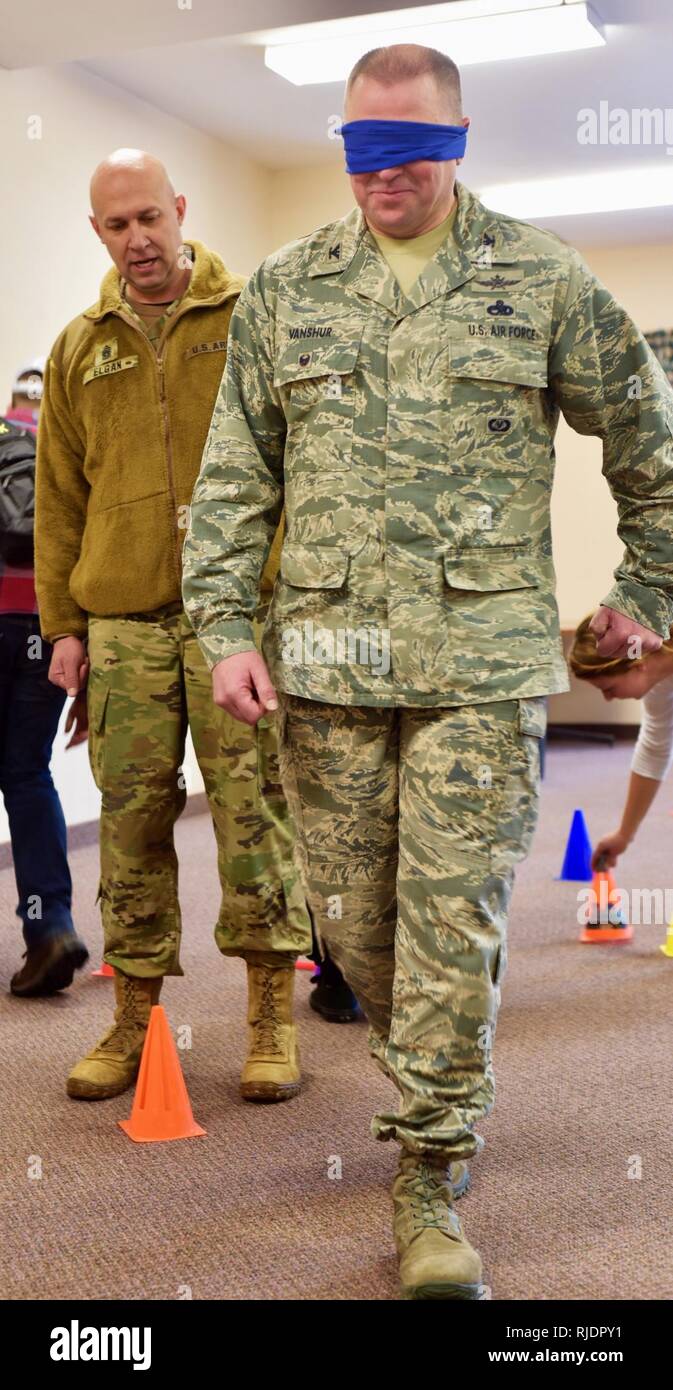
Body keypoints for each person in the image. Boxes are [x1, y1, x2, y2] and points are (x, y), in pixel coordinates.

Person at [182, 45, 673, 1298]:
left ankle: (432, 1174)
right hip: (330, 662)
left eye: (413, 150)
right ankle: (432, 1102)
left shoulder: (543, 279)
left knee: (453, 921)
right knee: (356, 931)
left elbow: (653, 459)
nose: (385, 174)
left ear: (460, 144)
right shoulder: (291, 288)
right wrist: (225, 628)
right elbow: (235, 476)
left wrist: (643, 598)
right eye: (361, 149)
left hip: (479, 662)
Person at [35, 149, 312, 1104]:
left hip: (236, 619)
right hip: (122, 628)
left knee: (254, 818)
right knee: (130, 825)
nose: (137, 239)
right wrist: (63, 624)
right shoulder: (82, 345)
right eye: (117, 225)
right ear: (98, 232)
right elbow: (60, 499)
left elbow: (301, 463)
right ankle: (132, 1020)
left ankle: (272, 1015)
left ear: (180, 210)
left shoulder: (251, 317)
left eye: (150, 217)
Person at [1, 360, 88, 996]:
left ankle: (48, 928)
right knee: (29, 774)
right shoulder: (69, 446)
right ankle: (50, 926)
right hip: (47, 627)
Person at [569, 615, 673, 869]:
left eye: (609, 688)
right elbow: (654, 750)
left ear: (637, 665)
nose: (607, 699)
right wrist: (624, 835)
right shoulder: (658, 682)